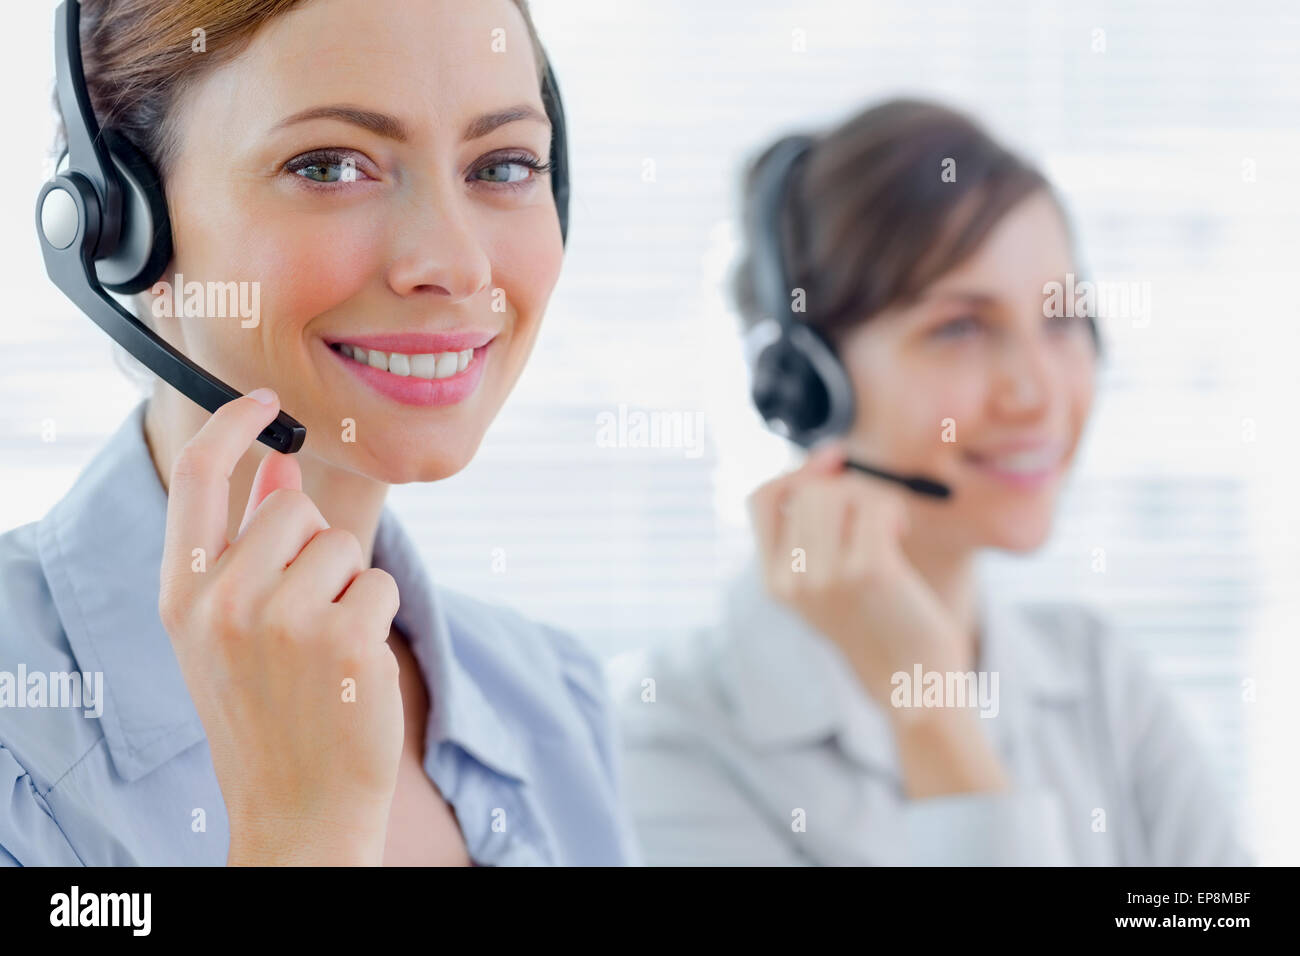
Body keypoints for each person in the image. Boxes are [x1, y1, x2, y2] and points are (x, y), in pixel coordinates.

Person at [0, 0, 638, 866]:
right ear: (122, 223)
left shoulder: (554, 702)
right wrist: (300, 835)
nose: (456, 265)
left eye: (504, 164)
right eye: (330, 165)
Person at [610, 98, 1251, 866]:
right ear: (806, 383)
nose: (1038, 393)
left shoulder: (1100, 681)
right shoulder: (665, 747)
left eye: (1062, 319)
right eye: (960, 328)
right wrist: (932, 714)